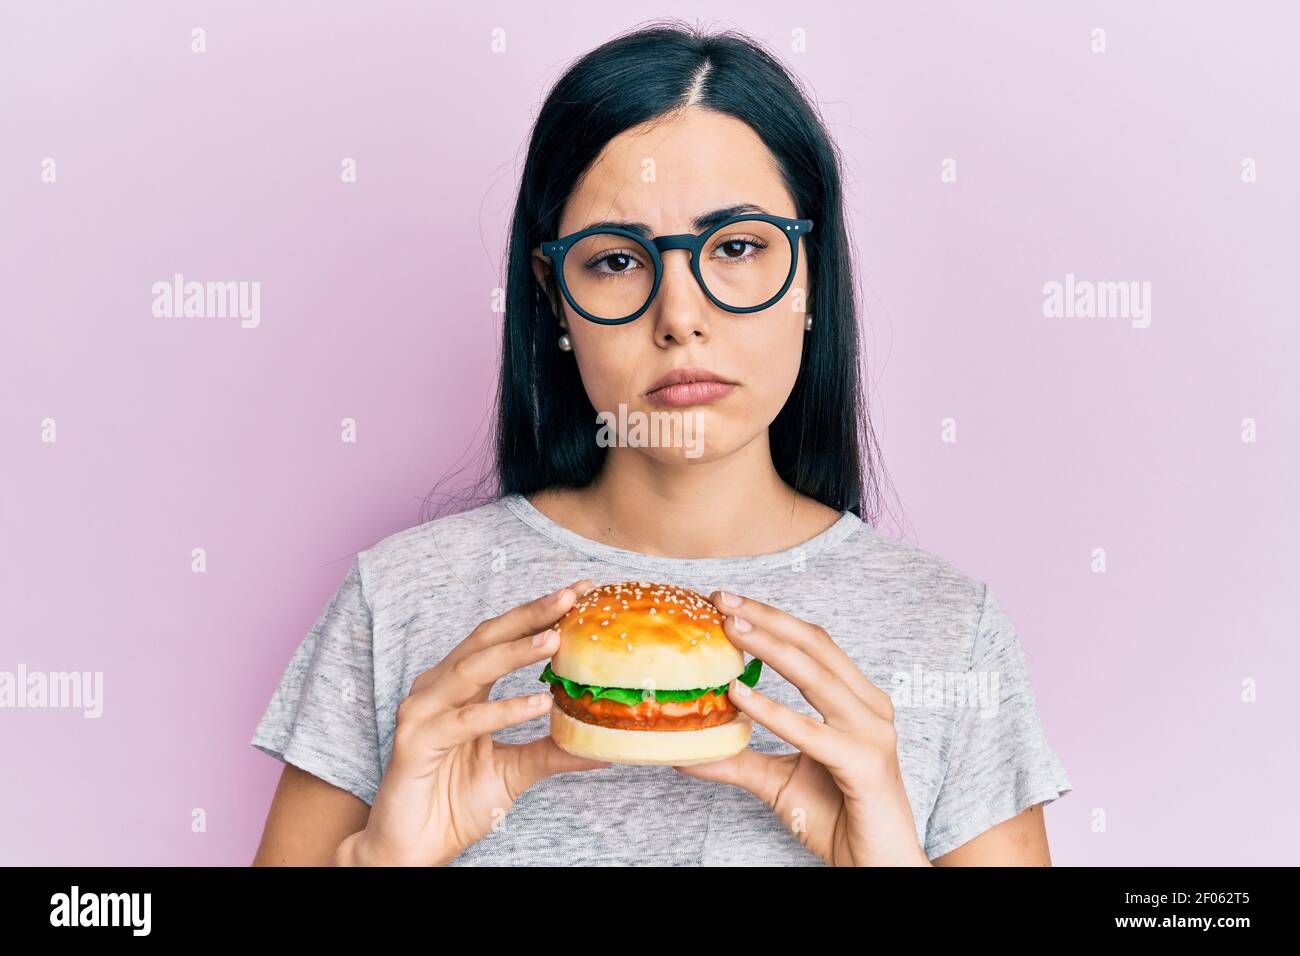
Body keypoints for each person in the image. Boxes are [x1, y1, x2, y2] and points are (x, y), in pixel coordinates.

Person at [250, 21, 1071, 866]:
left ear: (811, 276)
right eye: (616, 261)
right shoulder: (401, 602)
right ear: (554, 298)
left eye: (739, 247)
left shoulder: (950, 633)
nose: (680, 315)